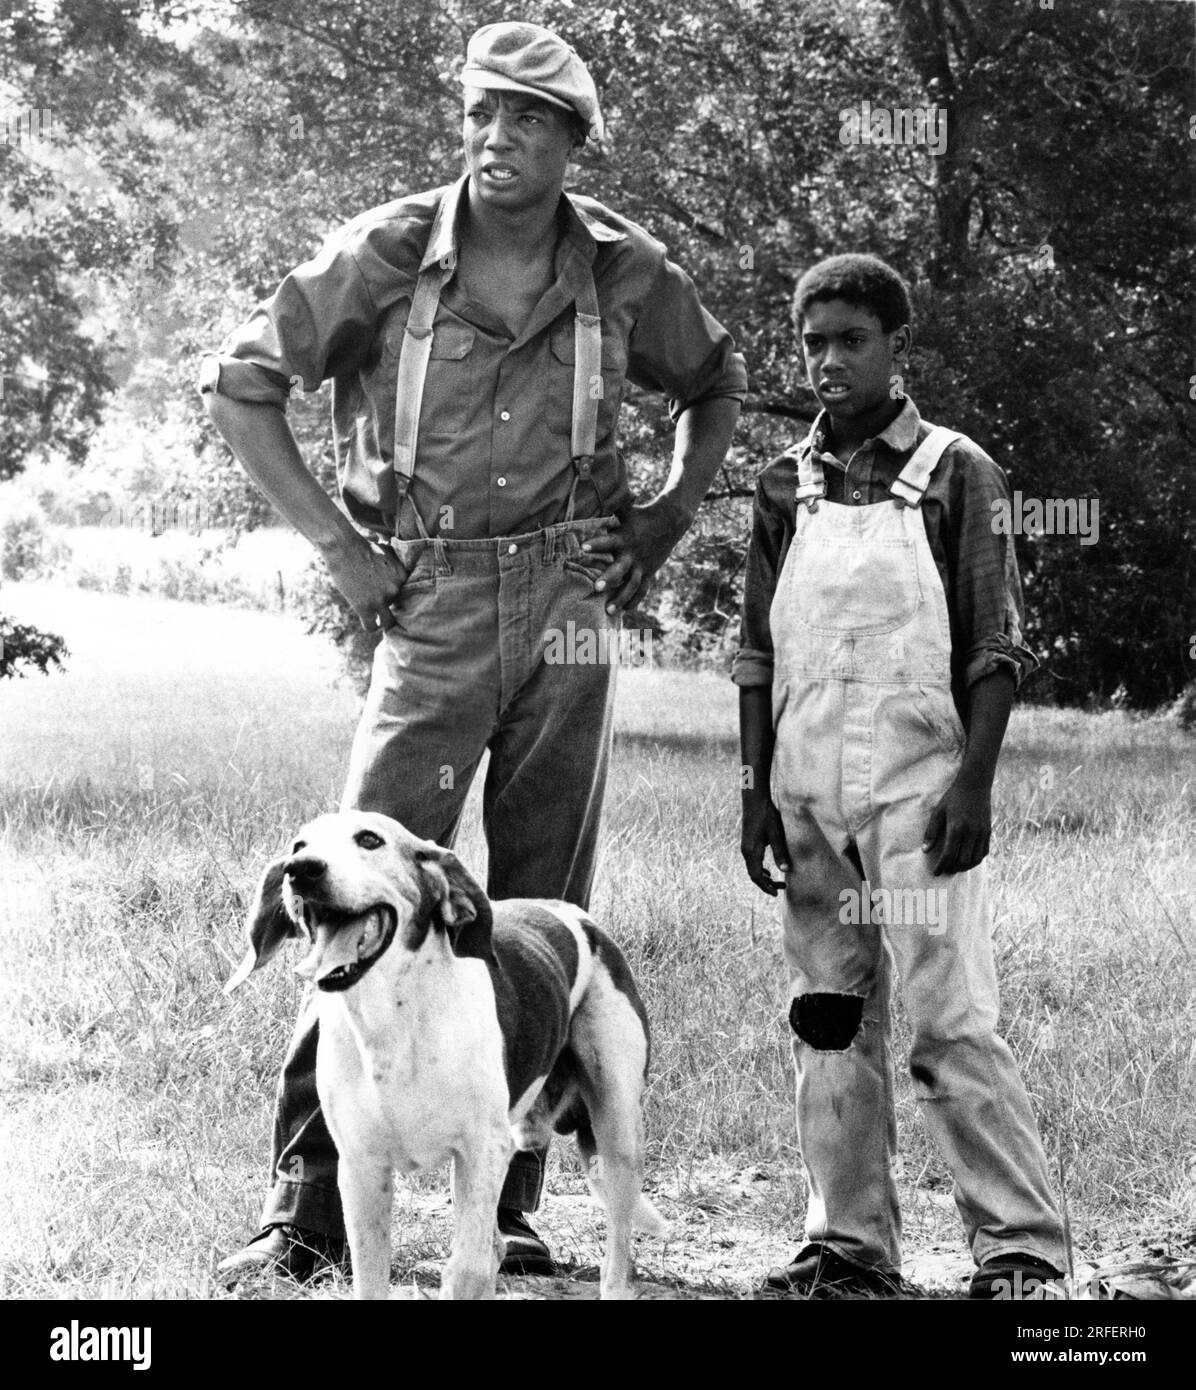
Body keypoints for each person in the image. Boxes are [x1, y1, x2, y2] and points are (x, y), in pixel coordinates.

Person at [202, 20, 745, 1284]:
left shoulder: (621, 265)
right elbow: (242, 385)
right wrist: (342, 548)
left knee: (542, 891)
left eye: (530, 123)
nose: (498, 142)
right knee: (358, 873)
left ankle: (500, 1204)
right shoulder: (388, 252)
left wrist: (663, 518)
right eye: (482, 117)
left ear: (571, 143)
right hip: (430, 596)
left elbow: (713, 386)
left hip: (570, 589)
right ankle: (308, 1210)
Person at [735, 253, 1066, 1299]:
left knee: (946, 1015)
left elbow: (993, 648)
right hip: (803, 792)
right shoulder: (782, 484)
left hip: (919, 793)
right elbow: (754, 653)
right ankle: (848, 1246)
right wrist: (753, 791)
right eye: (812, 344)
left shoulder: (955, 470)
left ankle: (1017, 1247)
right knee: (827, 1014)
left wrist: (972, 785)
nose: (829, 362)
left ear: (893, 346)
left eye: (850, 341)